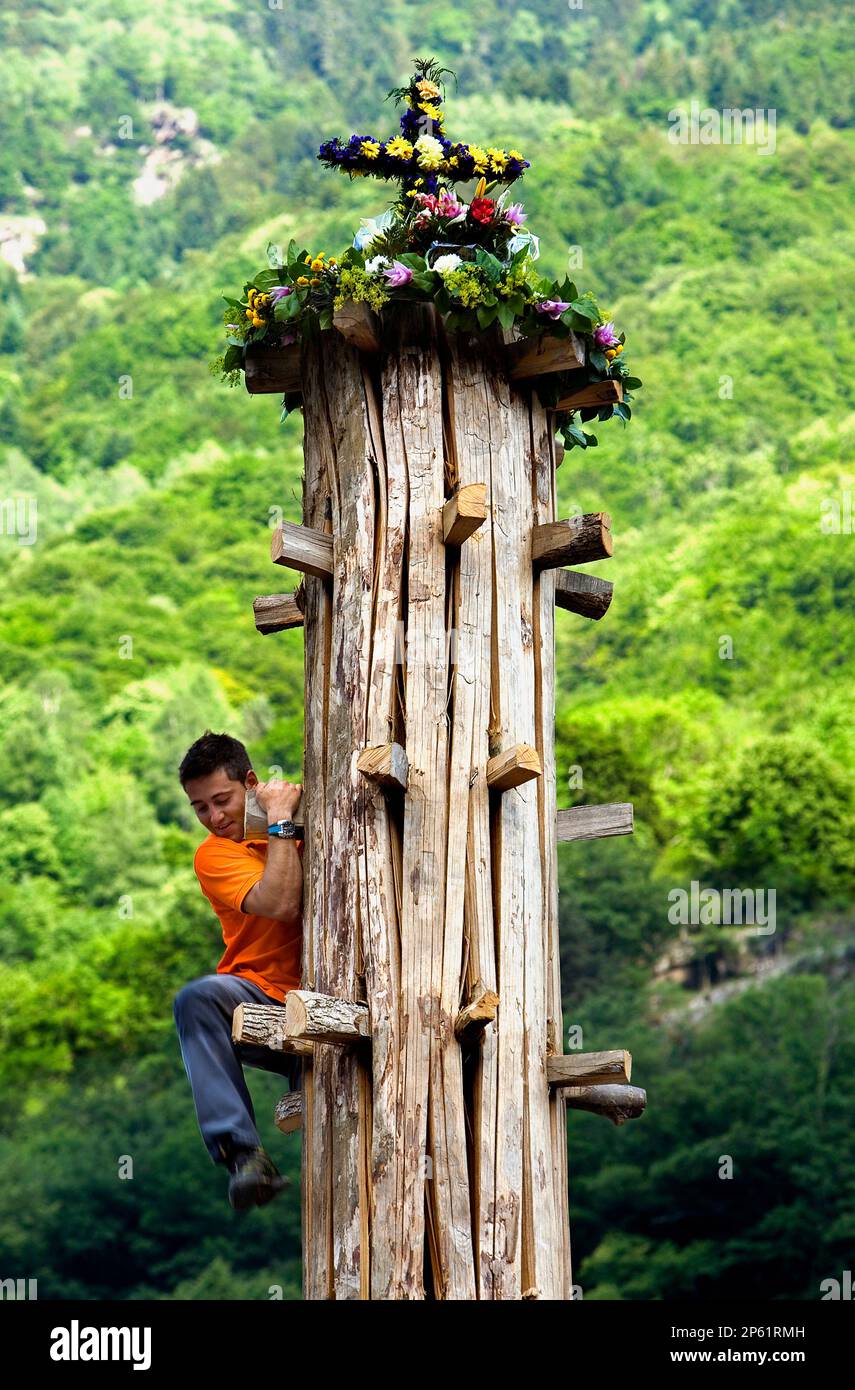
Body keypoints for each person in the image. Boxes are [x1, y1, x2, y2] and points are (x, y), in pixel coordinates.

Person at [174, 730, 304, 1211]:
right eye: (201, 808)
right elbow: (282, 903)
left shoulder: (299, 815)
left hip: (345, 991)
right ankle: (244, 1156)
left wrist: (282, 817)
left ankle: (305, 1077)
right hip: (262, 997)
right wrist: (281, 823)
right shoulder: (214, 854)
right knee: (197, 999)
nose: (215, 817)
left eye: (222, 800)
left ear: (250, 782)